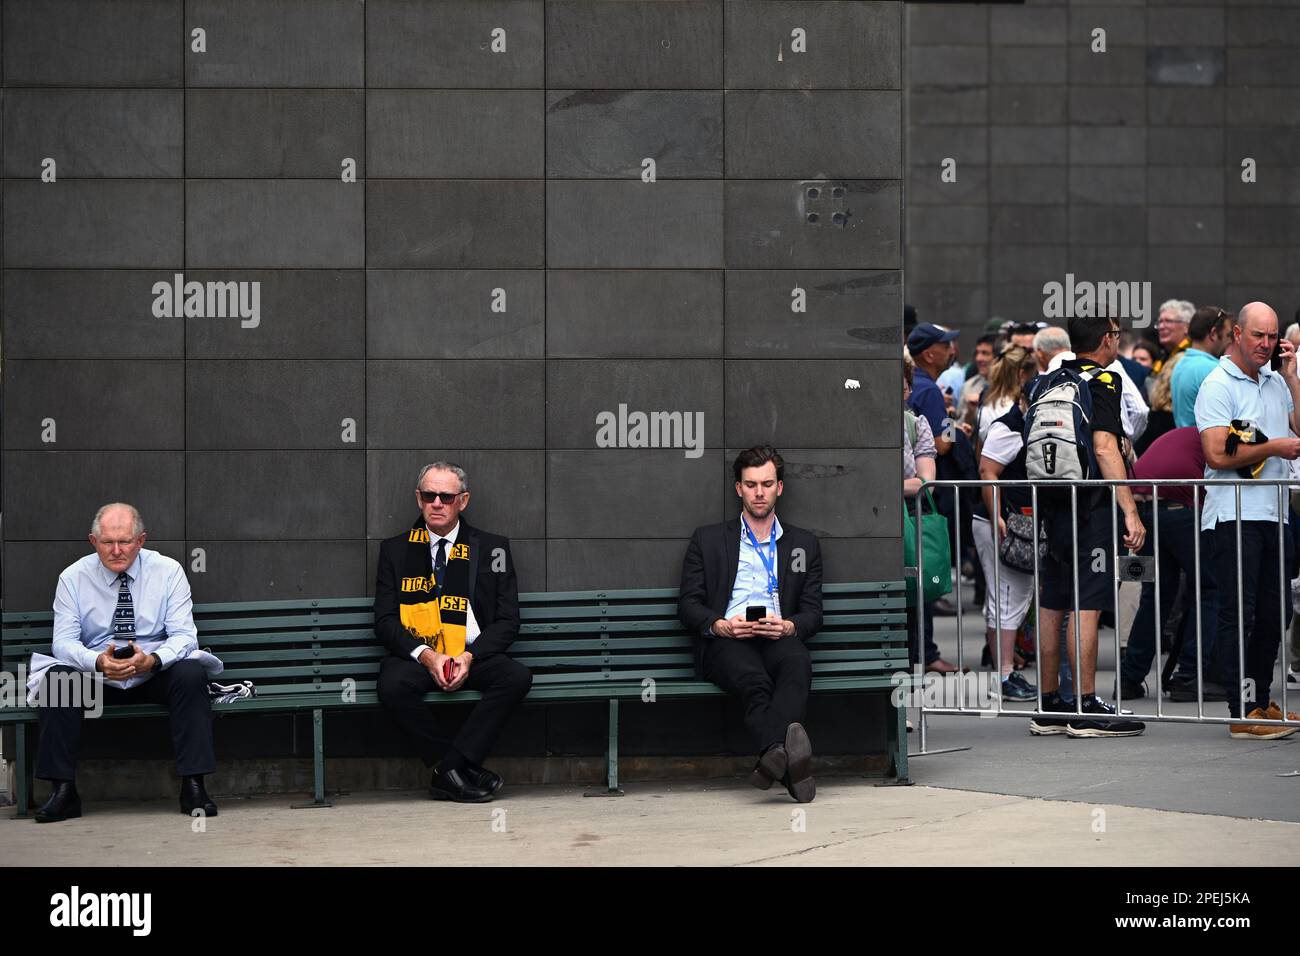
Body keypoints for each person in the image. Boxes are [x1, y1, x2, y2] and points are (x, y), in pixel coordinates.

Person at [32, 503, 218, 823]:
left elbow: (185, 636)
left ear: (141, 540)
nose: (116, 550)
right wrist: (97, 662)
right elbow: (62, 643)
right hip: (97, 677)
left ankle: (194, 786)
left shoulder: (169, 571)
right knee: (58, 681)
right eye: (107, 543)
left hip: (151, 673)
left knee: (190, 674)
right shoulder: (73, 578)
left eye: (125, 542)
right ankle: (62, 791)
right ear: (93, 541)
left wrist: (154, 660)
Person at [374, 462, 532, 801]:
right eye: (429, 495)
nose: (437, 503)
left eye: (446, 497)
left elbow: (508, 620)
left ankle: (449, 769)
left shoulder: (493, 549)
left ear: (463, 501)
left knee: (516, 676)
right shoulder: (395, 550)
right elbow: (385, 621)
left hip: (470, 655)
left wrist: (469, 657)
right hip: (422, 656)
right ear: (419, 499)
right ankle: (458, 769)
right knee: (391, 684)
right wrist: (428, 657)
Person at [678, 446, 824, 803]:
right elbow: (688, 605)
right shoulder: (708, 540)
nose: (759, 492)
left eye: (767, 484)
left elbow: (813, 612)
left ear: (780, 488)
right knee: (755, 681)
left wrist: (788, 626)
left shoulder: (802, 545)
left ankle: (772, 757)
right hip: (729, 639)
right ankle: (791, 765)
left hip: (776, 634)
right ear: (738, 488)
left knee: (798, 663)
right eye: (751, 484)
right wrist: (721, 625)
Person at [1028, 315, 1148, 738]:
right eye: (1115, 335)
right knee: (1088, 601)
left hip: (1051, 504)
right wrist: (1130, 510)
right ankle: (1085, 705)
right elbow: (1103, 447)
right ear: (1105, 340)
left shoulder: (1046, 380)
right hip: (1090, 507)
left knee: (1053, 602)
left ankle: (1048, 706)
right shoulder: (1104, 381)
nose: (1118, 342)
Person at [1194, 302, 1300, 738]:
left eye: (1273, 336)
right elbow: (1216, 453)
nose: (1266, 344)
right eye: (1258, 335)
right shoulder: (1217, 383)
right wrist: (1273, 448)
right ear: (1236, 334)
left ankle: (1260, 701)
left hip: (1275, 512)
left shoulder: (1277, 381)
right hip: (1234, 513)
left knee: (1277, 613)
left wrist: (1292, 376)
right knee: (1239, 613)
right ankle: (1241, 709)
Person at [1116, 427, 1223, 702]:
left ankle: (1129, 678)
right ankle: (1188, 676)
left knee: (1156, 595)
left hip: (1143, 510)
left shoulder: (1180, 435)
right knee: (1210, 589)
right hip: (1180, 511)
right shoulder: (1214, 436)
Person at [972, 382, 1039, 701]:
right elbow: (987, 471)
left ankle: (1005, 671)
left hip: (1005, 520)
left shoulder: (1020, 424)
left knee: (1005, 598)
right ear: (1024, 399)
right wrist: (997, 513)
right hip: (1002, 522)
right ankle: (1004, 676)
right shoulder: (1011, 427)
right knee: (1008, 597)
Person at [902, 353, 955, 673]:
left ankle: (910, 684)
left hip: (909, 517)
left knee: (915, 596)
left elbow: (926, 483)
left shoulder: (915, 421)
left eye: (904, 387)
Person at [1171, 306, 1234, 428]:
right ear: (1213, 333)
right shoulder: (1215, 369)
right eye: (1228, 335)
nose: (1230, 341)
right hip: (1206, 443)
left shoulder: (1180, 364)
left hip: (1188, 441)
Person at [977, 345, 1037, 445]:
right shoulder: (1018, 410)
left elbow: (979, 447)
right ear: (1022, 375)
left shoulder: (985, 400)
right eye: (1033, 375)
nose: (1034, 380)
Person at [1152, 299, 1194, 375]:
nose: (1161, 327)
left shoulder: (1192, 357)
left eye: (1168, 321)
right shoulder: (1161, 358)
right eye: (1160, 322)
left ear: (1187, 327)